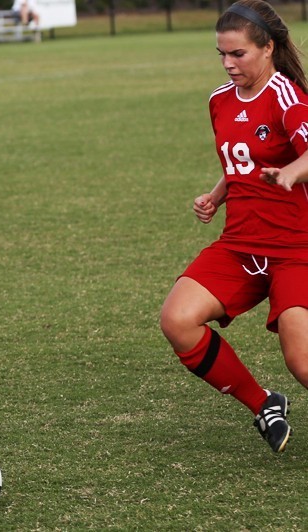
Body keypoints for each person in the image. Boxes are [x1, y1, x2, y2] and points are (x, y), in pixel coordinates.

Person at [159, 0, 308, 454]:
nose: (228, 64)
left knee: (301, 361)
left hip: (296, 247)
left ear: (268, 48)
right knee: (178, 321)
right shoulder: (219, 102)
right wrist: (216, 194)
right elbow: (239, 161)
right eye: (221, 54)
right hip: (241, 243)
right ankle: (262, 403)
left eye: (238, 54)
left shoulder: (288, 97)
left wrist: (292, 173)